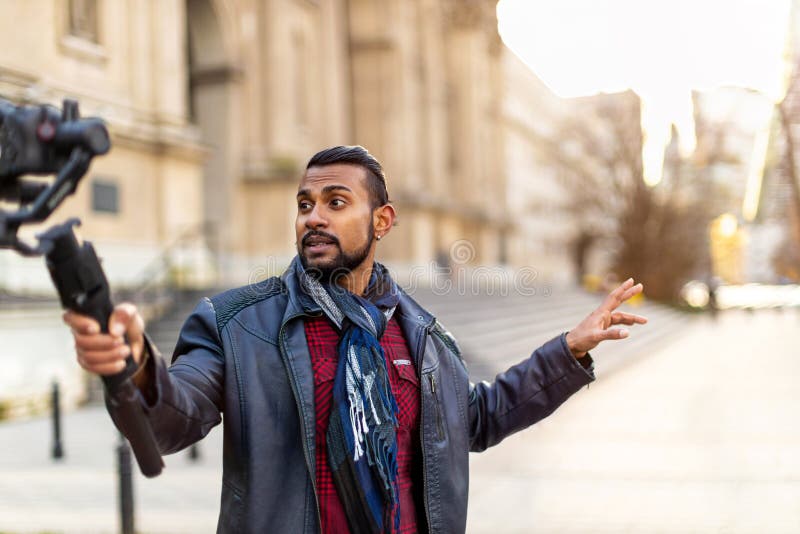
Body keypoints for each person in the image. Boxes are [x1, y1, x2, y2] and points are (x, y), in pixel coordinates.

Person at [63, 146, 647, 533]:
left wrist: (569, 350)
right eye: (304, 204)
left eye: (335, 202)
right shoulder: (236, 324)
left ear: (381, 221)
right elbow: (174, 418)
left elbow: (477, 418)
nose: (312, 217)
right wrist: (136, 365)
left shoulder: (418, 331)